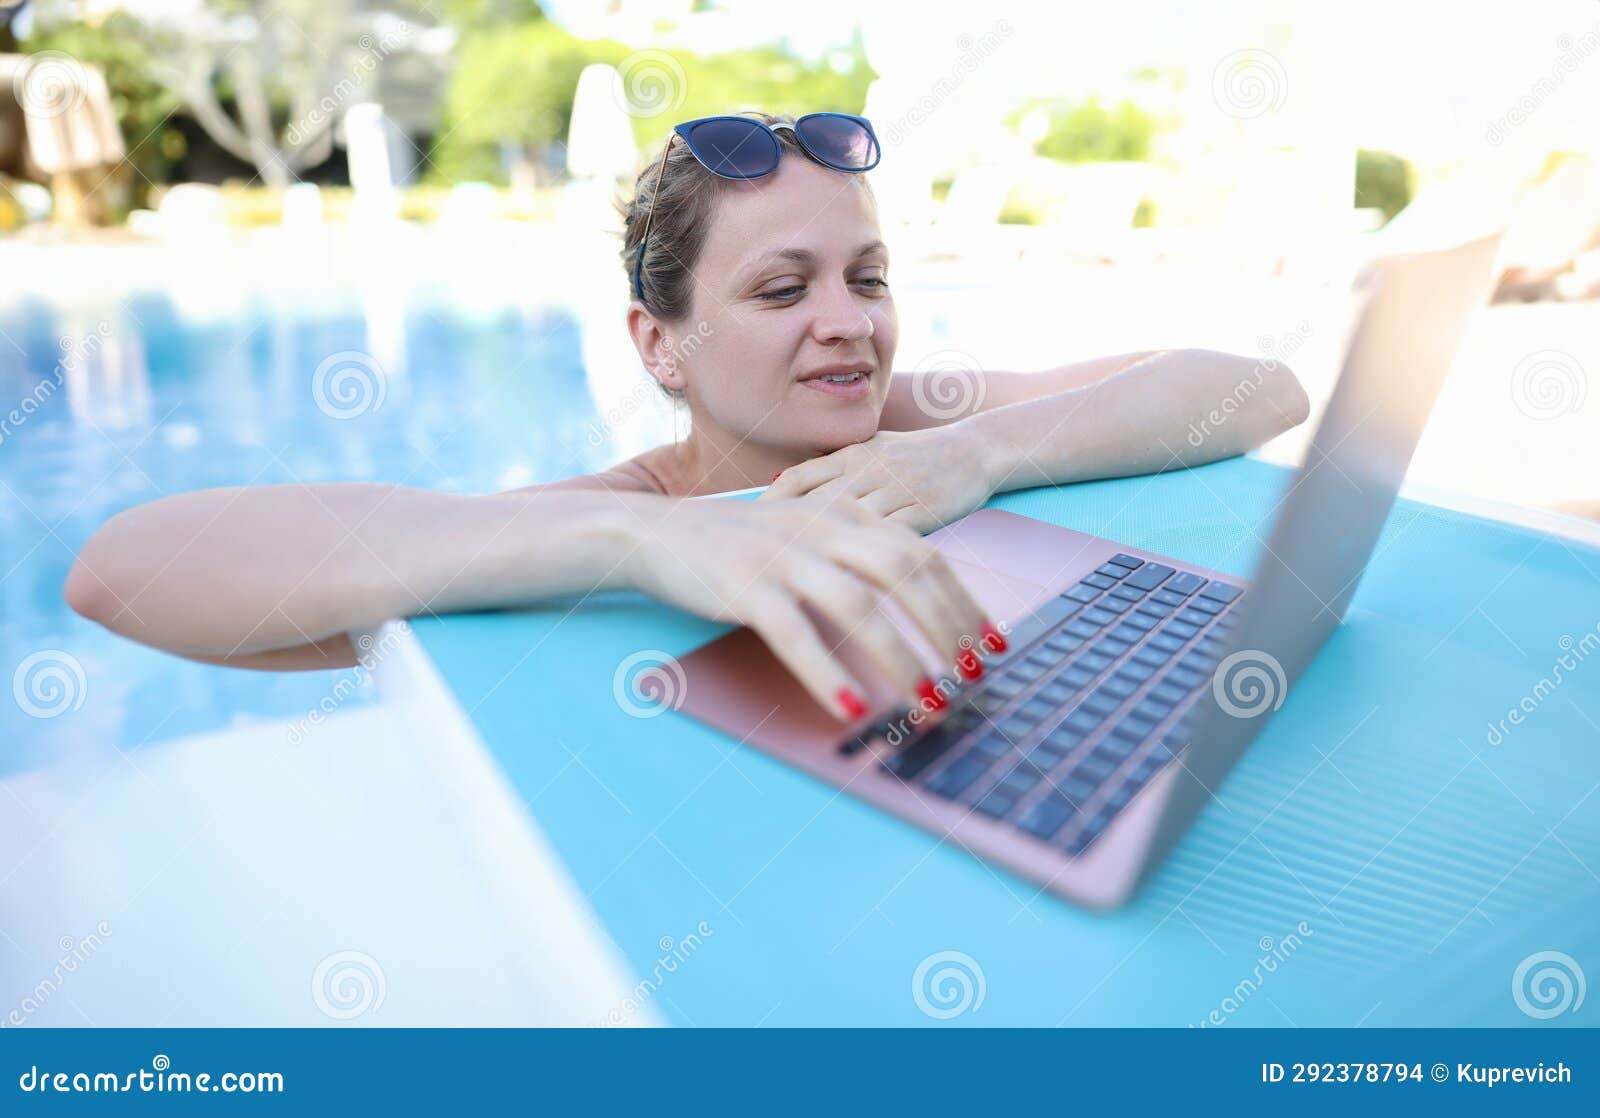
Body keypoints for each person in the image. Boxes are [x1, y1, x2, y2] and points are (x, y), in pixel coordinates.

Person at [65, 111, 1308, 723]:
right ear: (660, 343)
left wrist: (979, 453)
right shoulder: (625, 519)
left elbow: (1255, 386)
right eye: (782, 289)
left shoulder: (919, 426)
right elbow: (120, 571)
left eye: (867, 277)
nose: (849, 322)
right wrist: (638, 544)